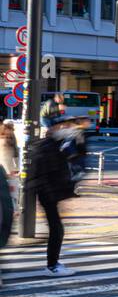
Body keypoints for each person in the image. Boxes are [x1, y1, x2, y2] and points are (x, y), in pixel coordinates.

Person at [29, 115, 78, 275]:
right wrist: (51, 195)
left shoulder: (56, 145)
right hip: (48, 195)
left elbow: (61, 170)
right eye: (65, 126)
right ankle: (52, 266)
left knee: (57, 229)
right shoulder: (46, 147)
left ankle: (53, 263)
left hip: (52, 195)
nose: (68, 129)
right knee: (57, 230)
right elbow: (41, 175)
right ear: (54, 128)